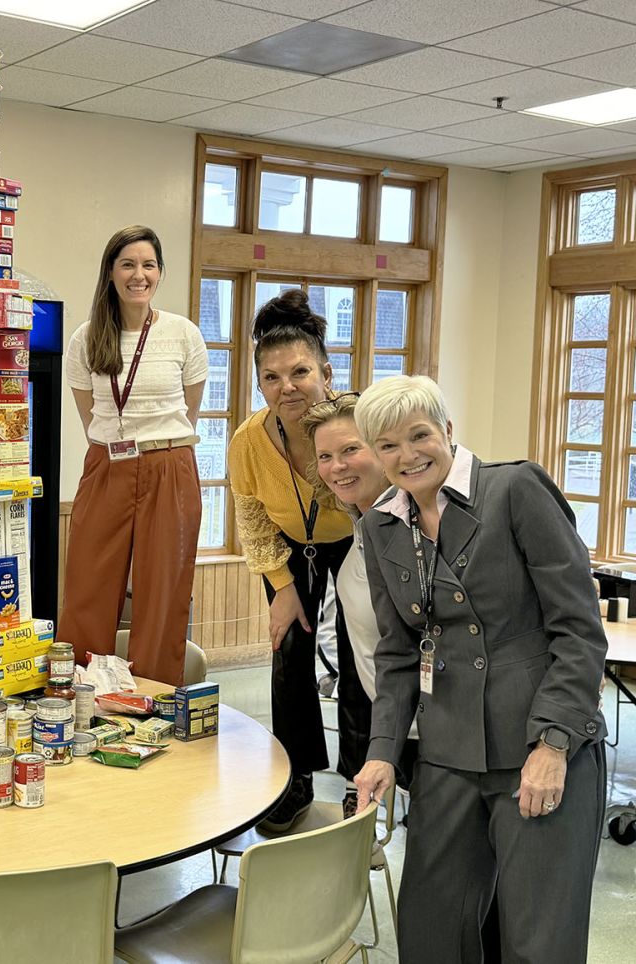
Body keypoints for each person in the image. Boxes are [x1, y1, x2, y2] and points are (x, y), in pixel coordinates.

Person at [353, 375, 607, 964]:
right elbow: (396, 652)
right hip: (447, 752)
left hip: (538, 744)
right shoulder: (379, 525)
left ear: (447, 430)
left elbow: (578, 627)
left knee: (537, 943)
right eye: (388, 445)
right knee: (430, 935)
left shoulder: (514, 489)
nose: (407, 455)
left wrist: (554, 742)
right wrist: (383, 750)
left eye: (419, 436)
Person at [226, 289, 371, 830]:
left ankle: (363, 778)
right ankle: (295, 780)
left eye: (300, 372)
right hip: (287, 546)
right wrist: (281, 587)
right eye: (271, 377)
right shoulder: (246, 441)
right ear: (259, 383)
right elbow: (252, 517)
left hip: (358, 537)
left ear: (326, 372)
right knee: (289, 654)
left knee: (363, 655)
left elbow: (382, 497)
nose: (286, 387)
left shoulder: (358, 423)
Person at [58, 225, 207, 686]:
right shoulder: (86, 338)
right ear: (110, 272)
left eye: (148, 264)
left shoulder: (183, 334)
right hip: (108, 464)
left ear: (159, 273)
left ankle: (154, 699)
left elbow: (189, 411)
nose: (138, 274)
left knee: (163, 589)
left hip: (170, 464)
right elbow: (90, 420)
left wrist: (153, 450)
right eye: (127, 264)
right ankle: (77, 691)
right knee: (88, 583)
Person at [302, 391, 420, 787]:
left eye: (351, 449)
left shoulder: (418, 533)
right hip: (398, 731)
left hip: (440, 736)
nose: (336, 467)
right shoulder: (360, 534)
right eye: (324, 457)